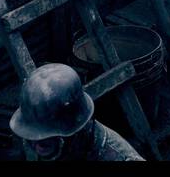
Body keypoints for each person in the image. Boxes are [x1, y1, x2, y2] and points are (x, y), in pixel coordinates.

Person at [10, 64, 143, 162]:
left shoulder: (119, 157)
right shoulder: (34, 133)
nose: (35, 145)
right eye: (30, 138)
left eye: (44, 143)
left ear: (74, 132)